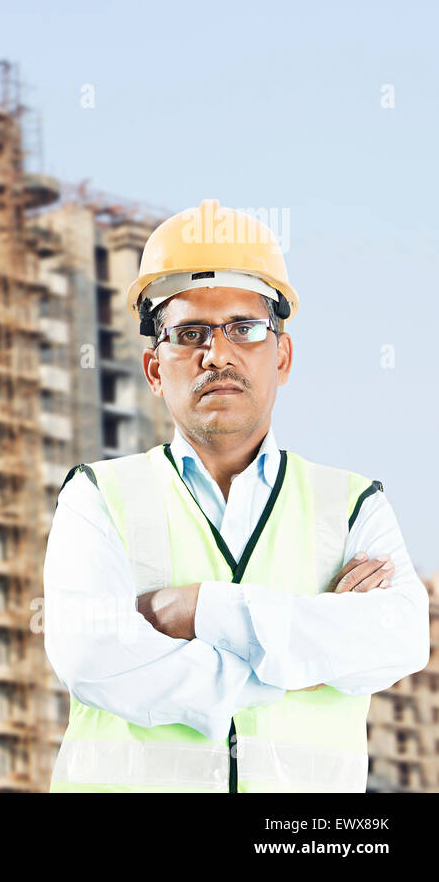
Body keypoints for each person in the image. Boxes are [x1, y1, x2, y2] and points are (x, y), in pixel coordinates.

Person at [43, 199, 430, 792]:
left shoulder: (353, 503)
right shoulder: (96, 497)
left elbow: (399, 638)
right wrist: (312, 655)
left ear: (283, 354)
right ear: (153, 368)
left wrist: (203, 609)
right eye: (189, 333)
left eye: (244, 329)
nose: (217, 354)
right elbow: (93, 658)